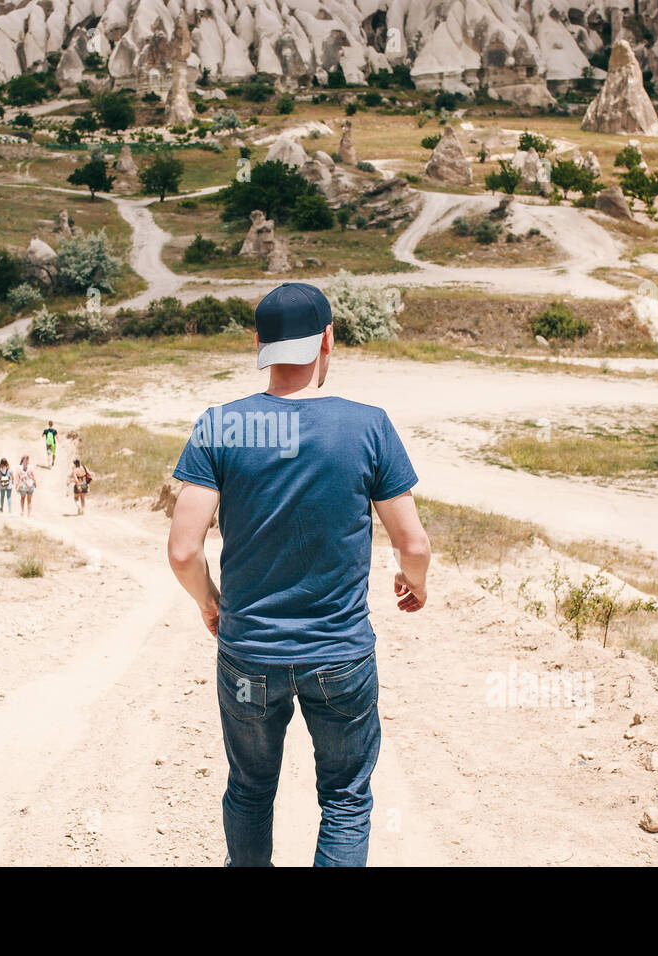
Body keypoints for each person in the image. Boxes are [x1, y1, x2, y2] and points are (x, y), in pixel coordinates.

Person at [166, 281, 430, 868]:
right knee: (343, 797)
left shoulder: (220, 426)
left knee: (250, 789)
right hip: (340, 655)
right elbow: (412, 542)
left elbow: (184, 550)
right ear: (328, 340)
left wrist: (211, 602)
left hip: (249, 652)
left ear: (258, 343)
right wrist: (416, 582)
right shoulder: (368, 427)